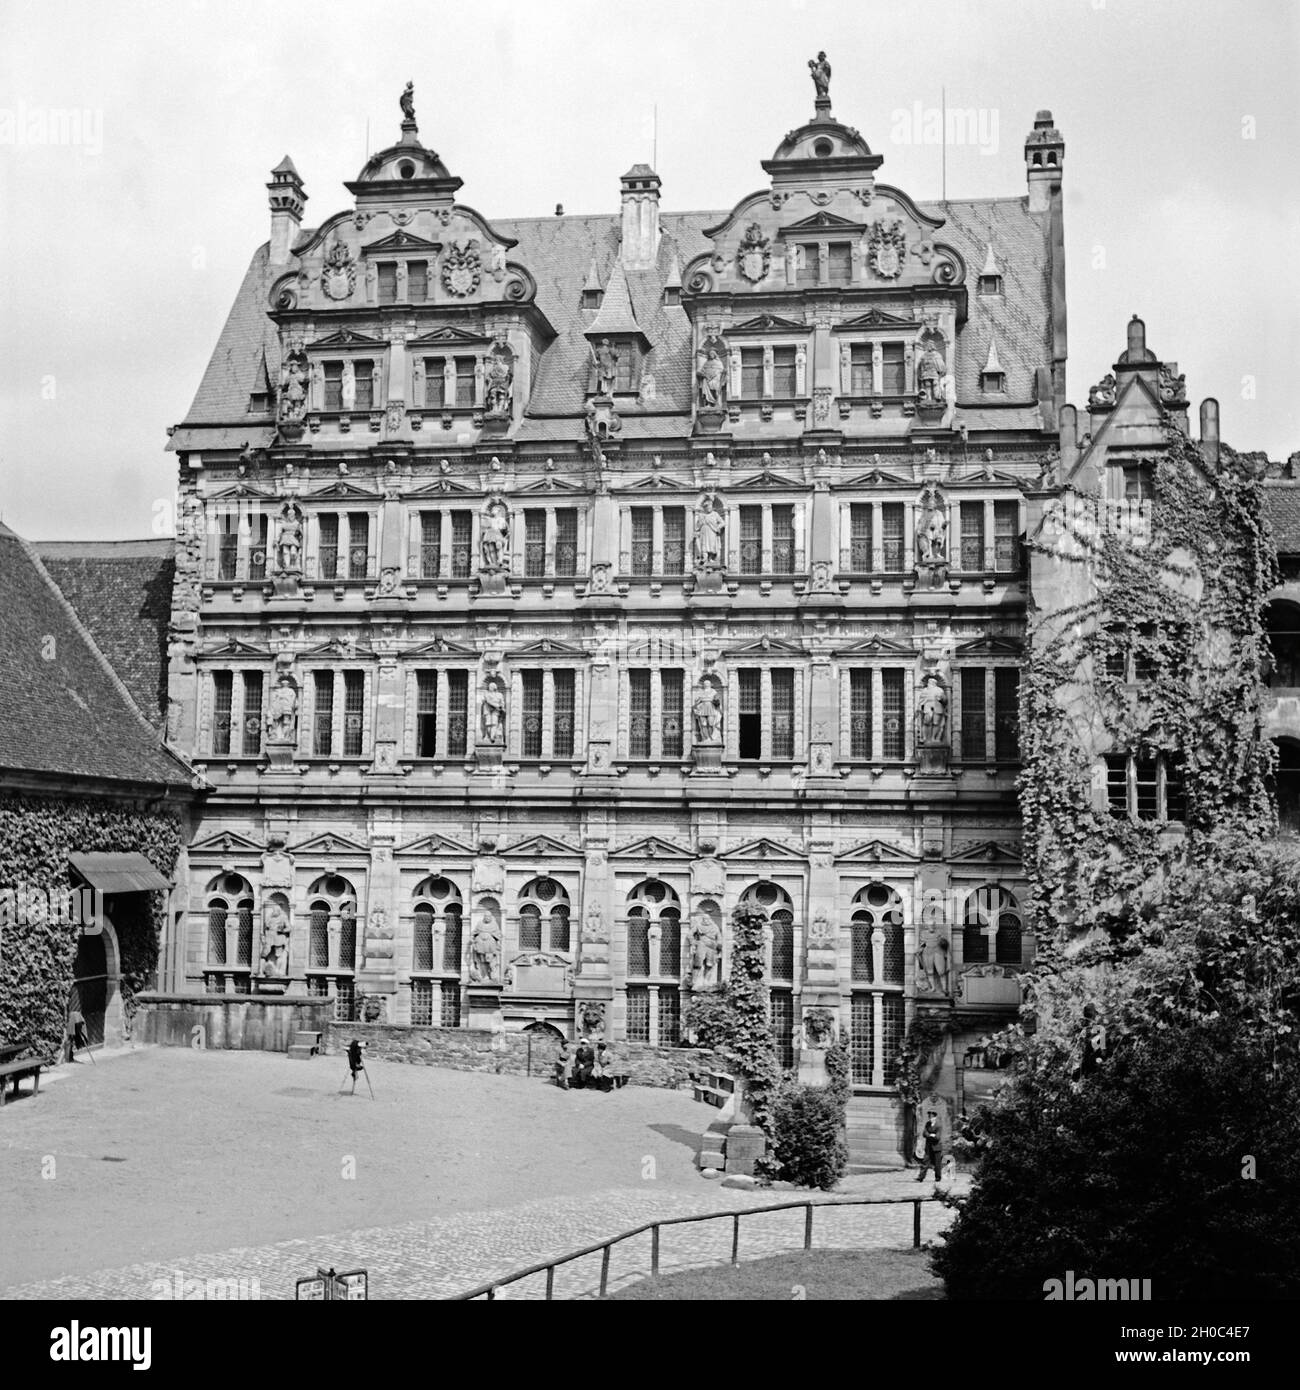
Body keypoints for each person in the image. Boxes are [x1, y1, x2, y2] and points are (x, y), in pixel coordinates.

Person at [916, 1108, 944, 1183]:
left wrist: (931, 1135)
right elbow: (924, 1133)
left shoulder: (939, 1125)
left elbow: (937, 1137)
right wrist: (931, 1135)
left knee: (937, 1163)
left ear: (935, 1117)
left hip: (936, 1147)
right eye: (929, 1116)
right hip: (928, 1147)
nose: (930, 1118)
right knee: (925, 1161)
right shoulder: (927, 1124)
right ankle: (920, 1177)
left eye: (931, 1116)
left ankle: (938, 1177)